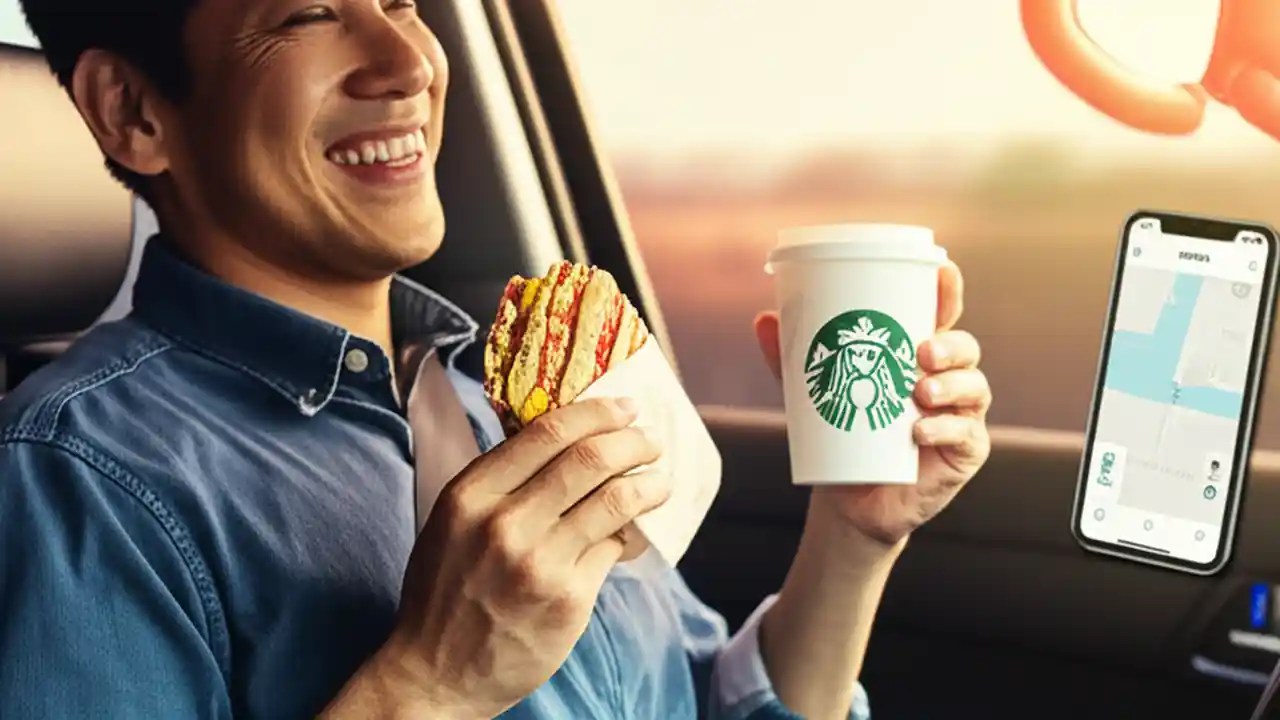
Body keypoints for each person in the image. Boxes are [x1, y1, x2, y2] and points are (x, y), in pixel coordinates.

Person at [0, 1, 993, 718]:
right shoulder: (79, 481)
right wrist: (430, 685)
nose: (407, 59)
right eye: (307, 13)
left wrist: (855, 536)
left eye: (396, 0)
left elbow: (697, 698)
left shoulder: (490, 397)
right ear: (133, 110)